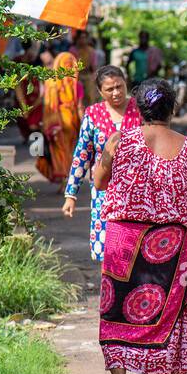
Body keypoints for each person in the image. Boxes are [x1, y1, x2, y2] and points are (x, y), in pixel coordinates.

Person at [92, 79, 187, 374]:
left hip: (122, 241)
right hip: (169, 246)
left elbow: (99, 181)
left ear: (138, 109)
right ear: (172, 109)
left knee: (115, 315)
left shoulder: (119, 140)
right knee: (167, 322)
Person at [63, 66, 141, 261]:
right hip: (103, 194)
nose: (116, 93)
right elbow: (82, 155)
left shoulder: (141, 111)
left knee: (135, 250)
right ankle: (111, 289)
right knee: (107, 249)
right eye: (110, 89)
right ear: (100, 92)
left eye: (119, 86)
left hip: (138, 192)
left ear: (125, 84)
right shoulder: (93, 114)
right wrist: (71, 195)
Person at [36, 51, 83, 189]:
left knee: (59, 150)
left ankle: (63, 178)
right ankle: (68, 178)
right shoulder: (77, 85)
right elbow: (79, 106)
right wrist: (84, 124)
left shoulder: (51, 82)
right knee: (69, 150)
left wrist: (45, 121)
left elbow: (47, 103)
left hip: (56, 120)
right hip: (71, 120)